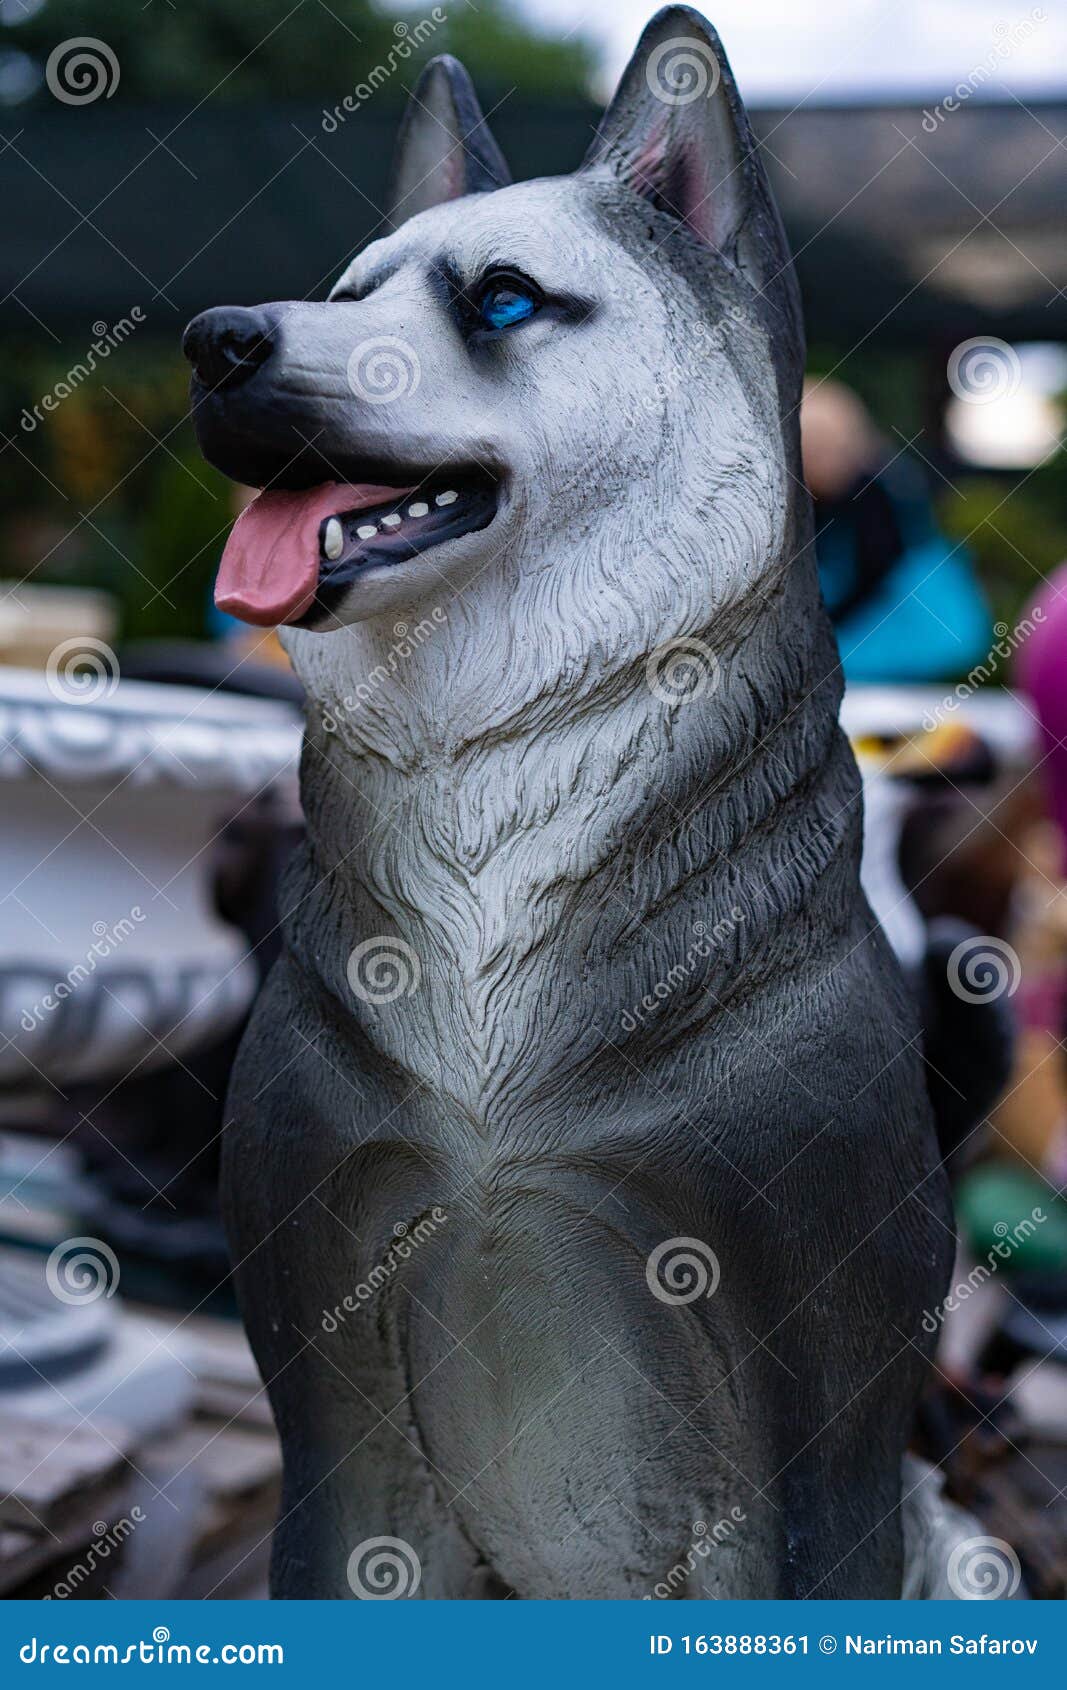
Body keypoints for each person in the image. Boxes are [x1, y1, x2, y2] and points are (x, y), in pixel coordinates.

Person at [802, 378, 991, 681]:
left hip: (897, 620)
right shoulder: (835, 492)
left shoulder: (876, 491)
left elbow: (877, 563)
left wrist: (829, 623)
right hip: (872, 621)